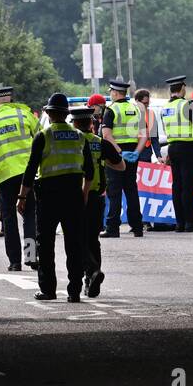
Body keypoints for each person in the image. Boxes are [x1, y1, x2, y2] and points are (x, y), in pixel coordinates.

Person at [17, 94, 94, 302]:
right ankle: (75, 291)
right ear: (67, 114)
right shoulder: (80, 137)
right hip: (73, 196)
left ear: (49, 114)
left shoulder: (43, 136)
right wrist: (84, 194)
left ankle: (48, 290)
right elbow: (90, 172)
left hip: (49, 197)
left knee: (46, 244)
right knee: (74, 244)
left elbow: (30, 169)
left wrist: (22, 197)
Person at [0, 86, 39, 272]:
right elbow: (40, 136)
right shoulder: (24, 115)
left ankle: (15, 262)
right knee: (29, 215)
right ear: (11, 99)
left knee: (9, 219)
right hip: (27, 173)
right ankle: (31, 256)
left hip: (4, 176)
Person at [71, 105, 124, 298]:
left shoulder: (71, 142)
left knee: (77, 238)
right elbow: (121, 166)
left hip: (74, 197)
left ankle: (91, 272)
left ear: (75, 123)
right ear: (91, 123)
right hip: (96, 197)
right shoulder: (100, 143)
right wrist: (102, 160)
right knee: (93, 239)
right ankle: (92, 277)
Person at [100, 79, 148, 238]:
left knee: (114, 191)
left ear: (114, 92)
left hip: (116, 154)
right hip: (133, 153)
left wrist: (119, 152)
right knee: (131, 190)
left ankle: (113, 228)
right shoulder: (136, 109)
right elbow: (143, 135)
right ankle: (137, 227)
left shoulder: (111, 110)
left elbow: (106, 135)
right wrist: (136, 152)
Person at [160, 76, 193, 232]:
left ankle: (179, 222)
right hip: (187, 148)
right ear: (182, 89)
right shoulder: (187, 105)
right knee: (188, 186)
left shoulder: (165, 108)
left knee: (177, 186)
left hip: (172, 147)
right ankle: (190, 222)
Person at [135, 89, 161, 162]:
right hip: (133, 150)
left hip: (146, 152)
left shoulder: (151, 114)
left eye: (148, 103)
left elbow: (154, 138)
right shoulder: (132, 113)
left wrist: (158, 155)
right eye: (145, 103)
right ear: (137, 101)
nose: (147, 105)